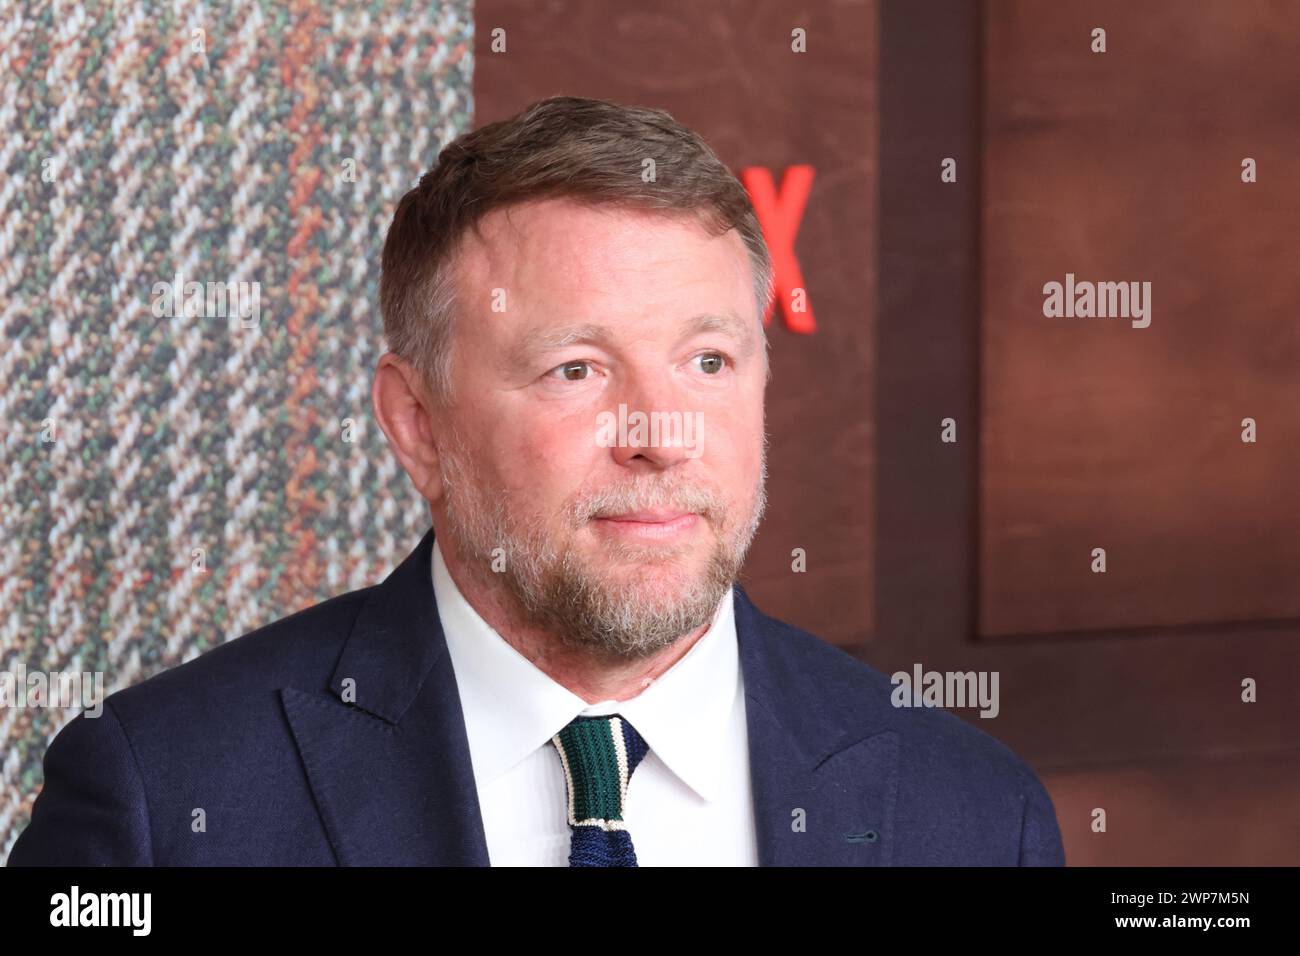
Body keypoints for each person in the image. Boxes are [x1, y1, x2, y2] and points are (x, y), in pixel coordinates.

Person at [8, 95, 1064, 866]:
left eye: (707, 360)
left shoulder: (971, 813)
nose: (660, 433)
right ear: (416, 424)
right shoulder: (165, 799)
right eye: (577, 369)